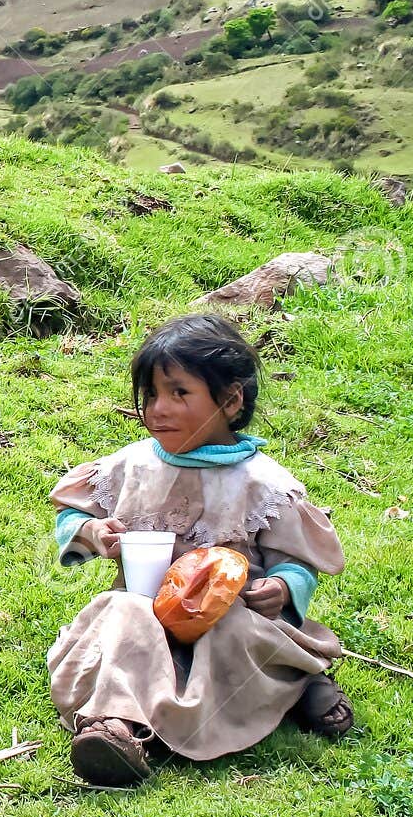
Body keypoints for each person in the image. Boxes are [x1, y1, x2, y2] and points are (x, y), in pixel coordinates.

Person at [48, 313, 350, 787]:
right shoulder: (130, 466)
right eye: (150, 395)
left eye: (179, 393)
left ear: (230, 401)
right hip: (145, 613)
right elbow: (71, 513)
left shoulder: (262, 484)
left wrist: (283, 587)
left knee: (233, 636)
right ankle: (114, 728)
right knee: (122, 615)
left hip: (230, 619)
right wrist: (91, 533)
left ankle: (301, 681)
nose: (158, 409)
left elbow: (300, 561)